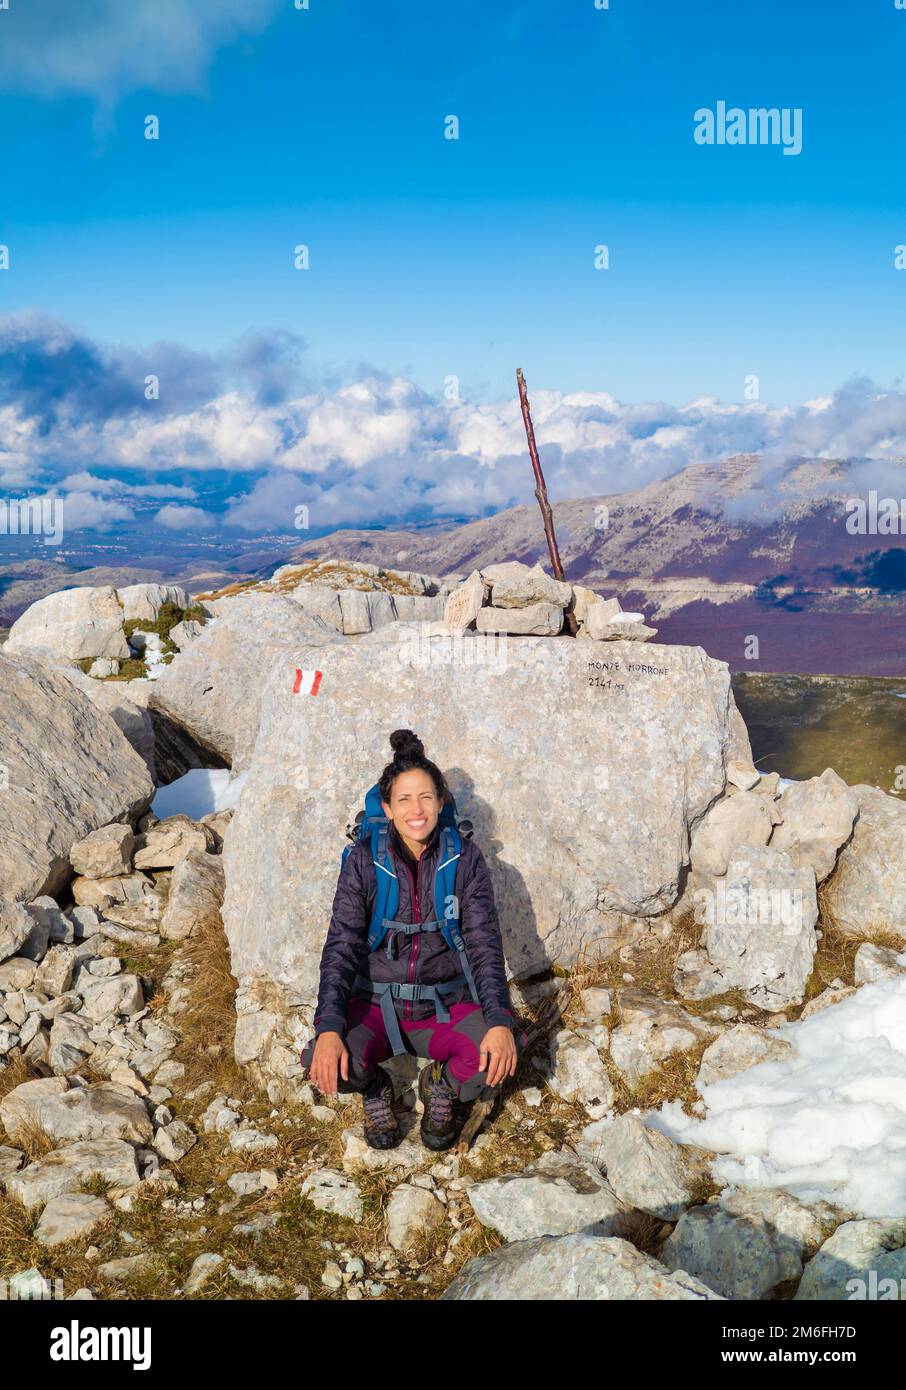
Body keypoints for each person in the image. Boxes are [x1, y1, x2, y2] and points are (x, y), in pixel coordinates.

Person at [300, 729, 526, 1151]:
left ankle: (439, 1081)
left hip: (443, 1008)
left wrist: (499, 1019)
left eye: (425, 797)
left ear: (441, 802)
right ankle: (375, 1088)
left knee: (500, 1052)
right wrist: (329, 1026)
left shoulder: (464, 858)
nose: (416, 810)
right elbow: (342, 945)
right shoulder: (364, 861)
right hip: (374, 1007)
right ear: (387, 808)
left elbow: (483, 944)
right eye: (404, 799)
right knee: (322, 1059)